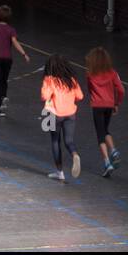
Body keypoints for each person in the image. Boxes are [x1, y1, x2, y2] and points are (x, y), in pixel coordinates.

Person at [41, 54, 83, 182]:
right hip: (70, 114)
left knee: (55, 141)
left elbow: (44, 96)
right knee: (69, 141)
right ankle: (75, 154)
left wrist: (47, 83)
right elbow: (80, 96)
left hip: (54, 114)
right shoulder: (71, 80)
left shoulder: (50, 80)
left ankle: (60, 172)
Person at [0, 4, 30, 115]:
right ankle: (1, 108)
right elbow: (15, 42)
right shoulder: (11, 30)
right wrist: (24, 54)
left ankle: (2, 96)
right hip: (7, 59)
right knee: (3, 81)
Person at [86, 47, 124, 176]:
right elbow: (121, 90)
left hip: (97, 106)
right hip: (109, 105)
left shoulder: (90, 74)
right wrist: (116, 103)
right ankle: (113, 150)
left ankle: (107, 162)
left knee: (100, 135)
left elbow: (90, 89)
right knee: (105, 130)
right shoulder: (113, 73)